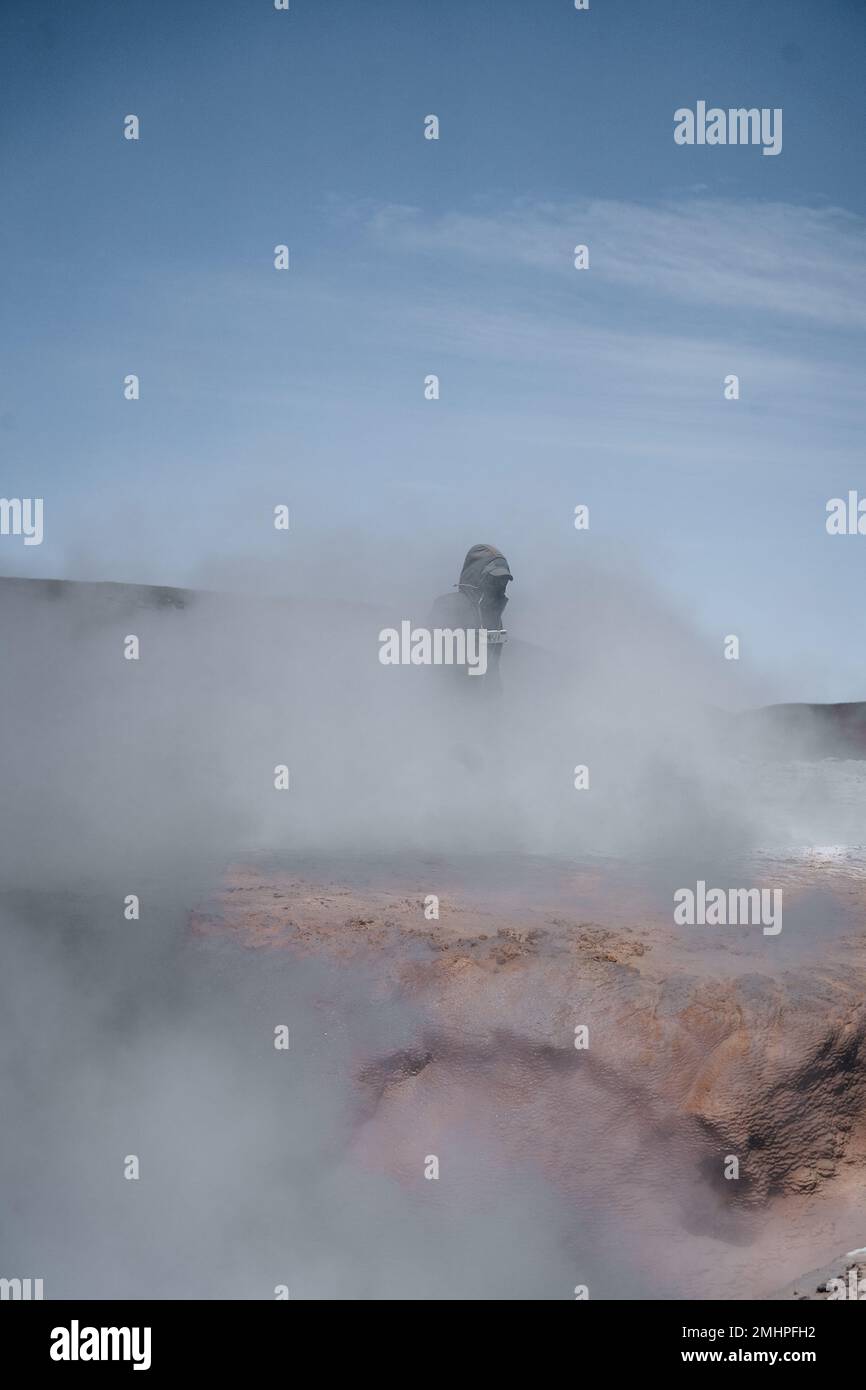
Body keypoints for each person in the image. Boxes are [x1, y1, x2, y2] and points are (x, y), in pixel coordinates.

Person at [429, 544, 513, 693]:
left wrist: (498, 706)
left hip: (484, 708)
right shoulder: (450, 606)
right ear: (476, 577)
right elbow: (432, 663)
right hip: (450, 704)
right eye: (494, 578)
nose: (500, 584)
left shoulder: (494, 617)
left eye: (503, 579)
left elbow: (493, 670)